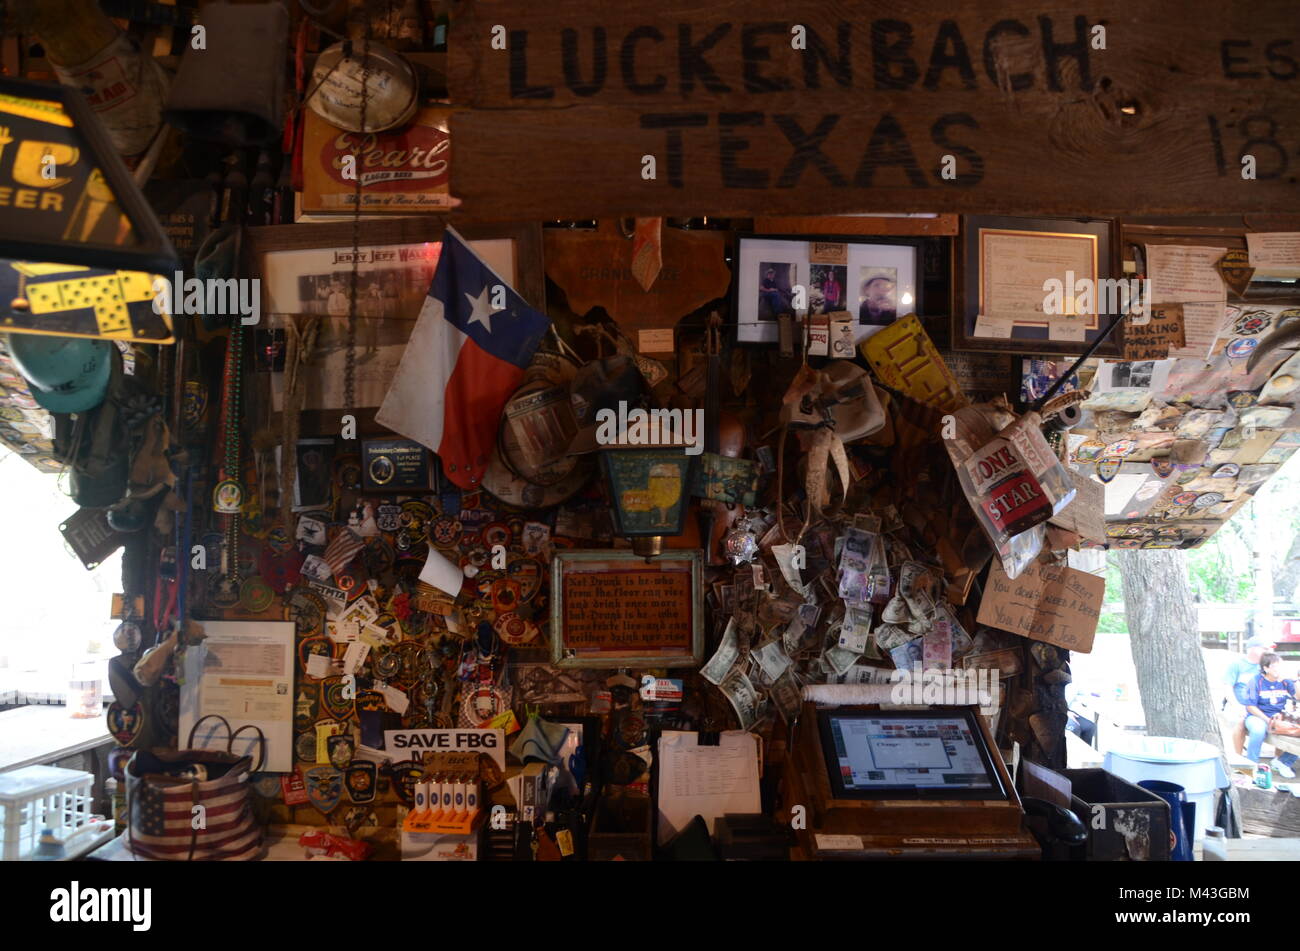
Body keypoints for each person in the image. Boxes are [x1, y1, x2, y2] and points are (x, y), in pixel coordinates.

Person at [1242, 651, 1298, 779]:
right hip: (1258, 716)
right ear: (1265, 668)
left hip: (1281, 717)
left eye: (1280, 665)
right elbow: (1250, 706)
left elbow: (1298, 696)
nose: (1279, 669)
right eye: (1275, 666)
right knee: (1258, 730)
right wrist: (1267, 720)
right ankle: (1251, 766)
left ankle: (1283, 762)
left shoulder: (1285, 681)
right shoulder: (1255, 681)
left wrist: (1294, 680)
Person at [1226, 634, 1275, 755]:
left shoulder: (1269, 665)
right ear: (1253, 648)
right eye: (1266, 648)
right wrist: (1237, 706)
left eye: (1270, 649)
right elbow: (1227, 689)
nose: (1270, 651)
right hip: (1240, 706)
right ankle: (1239, 757)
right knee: (1240, 721)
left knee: (1281, 719)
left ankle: (1279, 760)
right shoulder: (1237, 664)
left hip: (1262, 706)